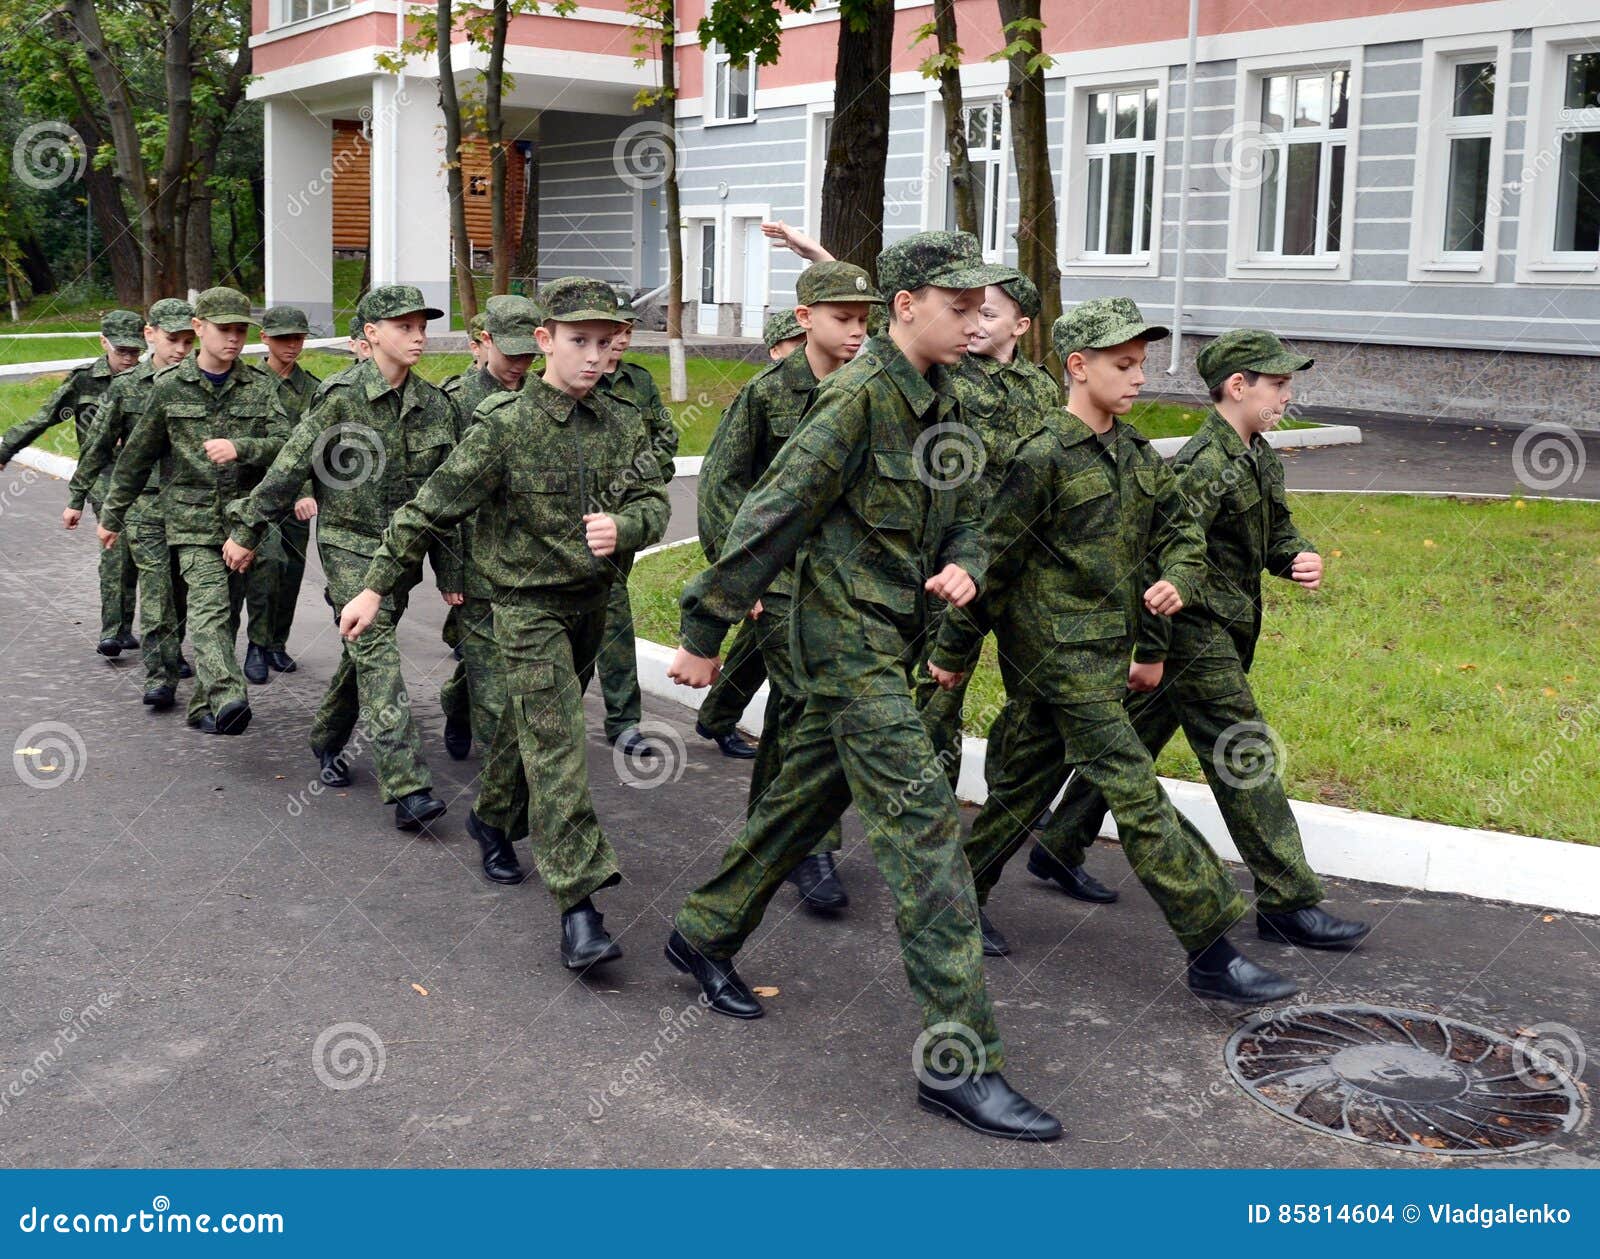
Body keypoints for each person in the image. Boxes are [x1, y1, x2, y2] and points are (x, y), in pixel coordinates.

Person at [664, 231, 1061, 1142]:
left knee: (804, 800)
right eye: (958, 307)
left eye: (980, 308)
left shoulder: (947, 396)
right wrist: (702, 628)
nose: (974, 323)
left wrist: (964, 561)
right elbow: (772, 509)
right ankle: (960, 1062)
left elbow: (968, 507)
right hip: (837, 638)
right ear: (905, 307)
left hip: (892, 634)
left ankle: (704, 929)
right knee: (925, 830)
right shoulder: (855, 397)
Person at [929, 298, 1299, 1005]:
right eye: (1124, 366)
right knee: (1137, 793)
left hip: (1102, 655)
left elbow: (1179, 536)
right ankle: (1210, 944)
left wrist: (1176, 581)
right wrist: (952, 652)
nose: (1139, 380)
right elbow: (991, 559)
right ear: (1078, 366)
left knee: (1021, 790)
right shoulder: (1039, 455)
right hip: (1055, 657)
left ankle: (952, 897)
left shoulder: (1133, 453)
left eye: (1142, 366)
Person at [338, 278, 669, 966]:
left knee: (532, 734)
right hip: (523, 611)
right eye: (579, 341)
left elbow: (652, 500)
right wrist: (374, 587)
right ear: (545, 341)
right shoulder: (503, 425)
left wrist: (628, 524)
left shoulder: (620, 421)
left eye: (605, 344)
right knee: (560, 746)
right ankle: (579, 908)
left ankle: (492, 817)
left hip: (589, 606)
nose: (593, 357)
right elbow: (429, 507)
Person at [1033, 328, 1369, 951]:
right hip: (1193, 635)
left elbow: (1275, 533)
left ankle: (1057, 844)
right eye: (1279, 383)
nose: (1288, 395)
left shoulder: (1259, 453)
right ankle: (1287, 900)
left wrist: (1297, 556)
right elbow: (1162, 562)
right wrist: (1153, 652)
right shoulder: (1199, 466)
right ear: (1238, 387)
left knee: (1133, 739)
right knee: (1246, 753)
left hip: (1225, 629)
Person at [223, 286, 461, 831]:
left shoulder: (436, 408)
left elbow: (450, 500)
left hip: (402, 557)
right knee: (377, 652)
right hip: (349, 546)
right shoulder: (339, 396)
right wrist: (248, 528)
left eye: (422, 325)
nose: (419, 335)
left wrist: (452, 572)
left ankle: (327, 736)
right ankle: (408, 787)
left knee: (361, 654)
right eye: (404, 326)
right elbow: (287, 466)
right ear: (371, 334)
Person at [695, 262, 884, 915]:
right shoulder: (768, 394)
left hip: (848, 581)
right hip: (779, 579)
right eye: (843, 318)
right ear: (805, 320)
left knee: (796, 709)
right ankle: (812, 846)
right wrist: (737, 575)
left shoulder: (875, 391)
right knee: (809, 700)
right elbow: (721, 484)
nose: (857, 331)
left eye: (864, 319)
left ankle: (767, 830)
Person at [97, 287, 290, 735]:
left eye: (241, 330)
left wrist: (241, 448)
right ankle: (228, 694)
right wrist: (112, 515)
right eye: (224, 329)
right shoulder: (167, 389)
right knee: (208, 609)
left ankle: (204, 707)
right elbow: (137, 457)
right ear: (199, 328)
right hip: (190, 522)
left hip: (244, 522)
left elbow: (288, 447)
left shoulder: (262, 387)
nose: (234, 339)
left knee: (228, 611)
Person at [914, 272, 1060, 806]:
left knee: (1033, 691)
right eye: (969, 312)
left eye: (989, 314)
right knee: (940, 687)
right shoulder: (946, 374)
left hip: (1023, 564)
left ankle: (1010, 797)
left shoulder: (1042, 389)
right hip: (961, 561)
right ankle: (928, 805)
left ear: (1021, 326)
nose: (975, 324)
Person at [65, 300, 196, 708]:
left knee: (183, 590)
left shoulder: (200, 385)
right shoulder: (127, 387)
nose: (179, 350)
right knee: (157, 593)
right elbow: (98, 447)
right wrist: (77, 497)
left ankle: (172, 653)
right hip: (143, 504)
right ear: (150, 334)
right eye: (173, 340)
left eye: (188, 342)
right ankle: (160, 676)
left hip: (192, 505)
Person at [690, 308, 809, 761]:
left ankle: (717, 716)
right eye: (795, 344)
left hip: (806, 557)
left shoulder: (841, 397)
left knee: (760, 644)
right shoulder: (760, 399)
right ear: (776, 349)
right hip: (760, 553)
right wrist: (734, 572)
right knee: (784, 656)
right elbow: (720, 487)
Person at [437, 294, 543, 770]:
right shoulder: (454, 403)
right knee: (495, 686)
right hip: (477, 562)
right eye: (511, 352)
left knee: (510, 668)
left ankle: (456, 703)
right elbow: (440, 496)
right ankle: (502, 794)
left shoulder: (542, 397)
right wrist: (451, 571)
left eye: (528, 354)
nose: (520, 364)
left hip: (530, 561)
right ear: (484, 341)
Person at [1, 310, 144, 657]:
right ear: (104, 342)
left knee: (141, 550)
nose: (128, 358)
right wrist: (6, 448)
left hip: (146, 473)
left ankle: (133, 628)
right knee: (116, 545)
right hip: (102, 475)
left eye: (135, 351)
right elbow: (45, 415)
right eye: (122, 350)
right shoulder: (85, 381)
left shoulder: (151, 379)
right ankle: (114, 630)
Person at [595, 289, 679, 758]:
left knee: (612, 615)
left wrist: (642, 475)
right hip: (567, 518)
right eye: (616, 330)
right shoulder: (566, 381)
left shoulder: (639, 384)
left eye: (628, 330)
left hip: (621, 518)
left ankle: (624, 721)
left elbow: (666, 435)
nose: (622, 339)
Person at [243, 306, 321, 684]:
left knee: (291, 571)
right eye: (283, 338)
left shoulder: (313, 389)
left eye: (298, 338)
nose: (292, 345)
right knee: (267, 564)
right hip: (256, 491)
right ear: (265, 339)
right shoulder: (248, 384)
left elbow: (316, 446)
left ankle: (276, 642)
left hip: (298, 496)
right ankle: (256, 644)